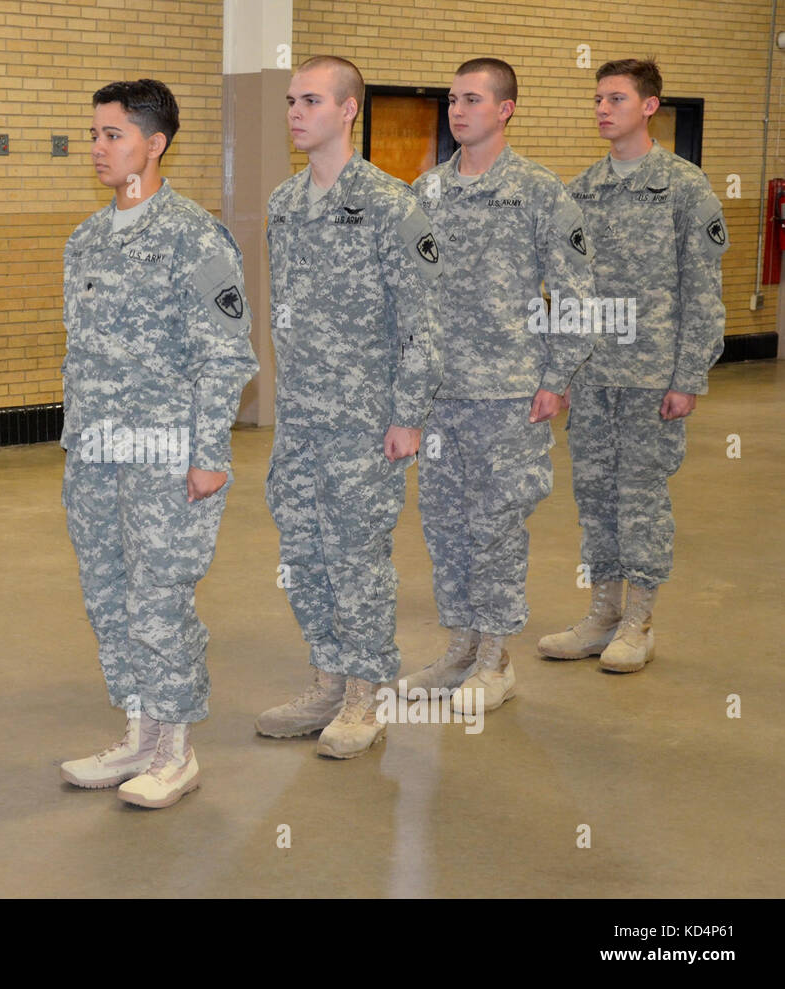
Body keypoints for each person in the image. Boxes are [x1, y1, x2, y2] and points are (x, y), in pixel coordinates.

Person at [58, 78, 258, 809]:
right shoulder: (85, 239)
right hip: (96, 455)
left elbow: (226, 354)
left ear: (155, 143)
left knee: (158, 599)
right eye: (94, 134)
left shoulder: (193, 236)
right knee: (109, 598)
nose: (99, 148)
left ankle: (175, 748)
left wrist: (209, 454)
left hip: (166, 456)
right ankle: (139, 732)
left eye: (114, 134)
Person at [254, 56, 441, 757]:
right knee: (303, 550)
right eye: (290, 100)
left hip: (366, 418)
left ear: (348, 111)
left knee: (357, 553)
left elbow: (422, 319)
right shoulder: (283, 203)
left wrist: (408, 413)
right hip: (301, 417)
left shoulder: (393, 205)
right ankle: (327, 678)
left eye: (310, 100)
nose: (296, 112)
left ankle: (366, 693)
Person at [404, 58, 595, 712]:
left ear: (506, 108)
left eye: (474, 100)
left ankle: (495, 659)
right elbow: (407, 292)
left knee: (495, 528)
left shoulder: (539, 191)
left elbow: (575, 292)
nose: (459, 111)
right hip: (439, 397)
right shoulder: (425, 192)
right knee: (444, 526)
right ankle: (460, 647)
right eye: (453, 99)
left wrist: (556, 374)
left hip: (509, 396)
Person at [538, 59, 727, 672]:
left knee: (640, 498)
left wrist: (689, 376)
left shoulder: (685, 186)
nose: (601, 108)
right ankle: (602, 614)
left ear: (649, 106)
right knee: (594, 495)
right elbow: (567, 290)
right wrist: (560, 370)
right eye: (597, 98)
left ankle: (640, 621)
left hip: (651, 376)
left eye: (615, 98)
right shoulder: (582, 189)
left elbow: (703, 288)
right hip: (593, 374)